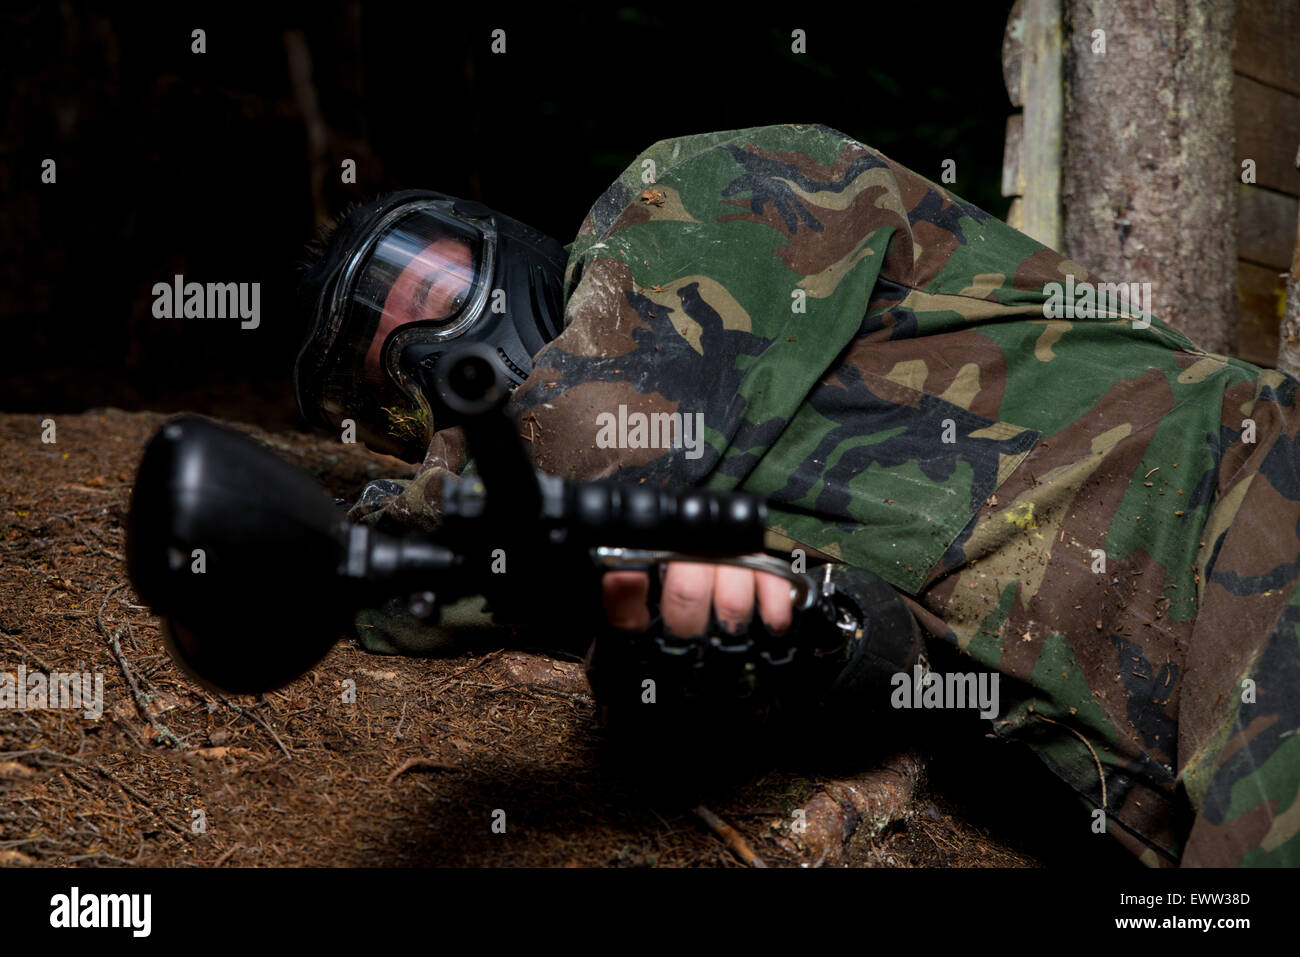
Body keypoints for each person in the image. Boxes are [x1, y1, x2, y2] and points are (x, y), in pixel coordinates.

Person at [294, 123, 1300, 868]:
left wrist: (345, 552)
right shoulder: (651, 526)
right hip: (1179, 757)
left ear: (502, 239)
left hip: (1252, 518)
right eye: (392, 375)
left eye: (435, 290)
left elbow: (597, 433)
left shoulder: (688, 194)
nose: (433, 349)